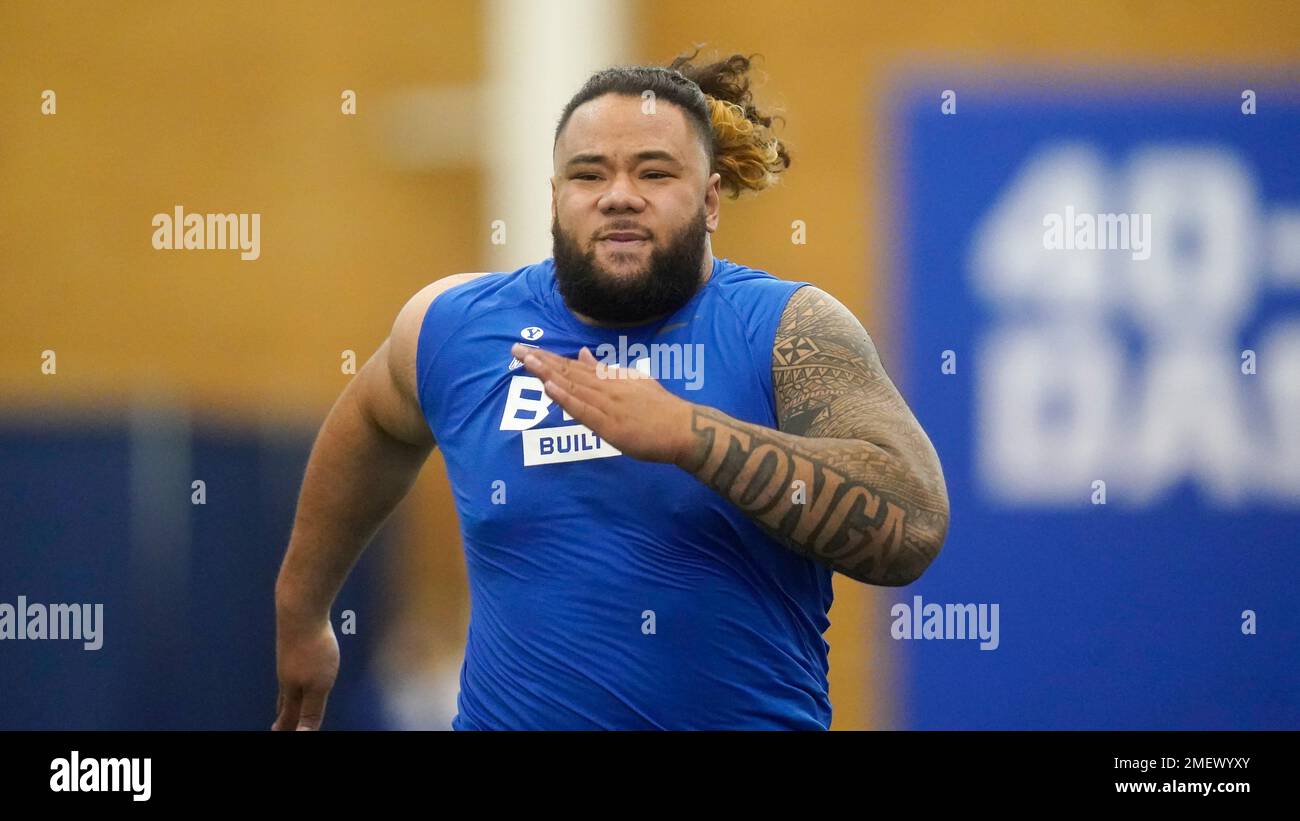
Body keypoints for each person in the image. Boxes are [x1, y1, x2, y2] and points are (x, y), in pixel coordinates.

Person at [273, 50, 949, 731]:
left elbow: (912, 522)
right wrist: (304, 613)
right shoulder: (458, 328)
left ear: (711, 200)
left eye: (654, 172)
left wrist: (692, 435)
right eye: (589, 173)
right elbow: (372, 422)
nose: (618, 193)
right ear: (557, 196)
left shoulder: (784, 328)